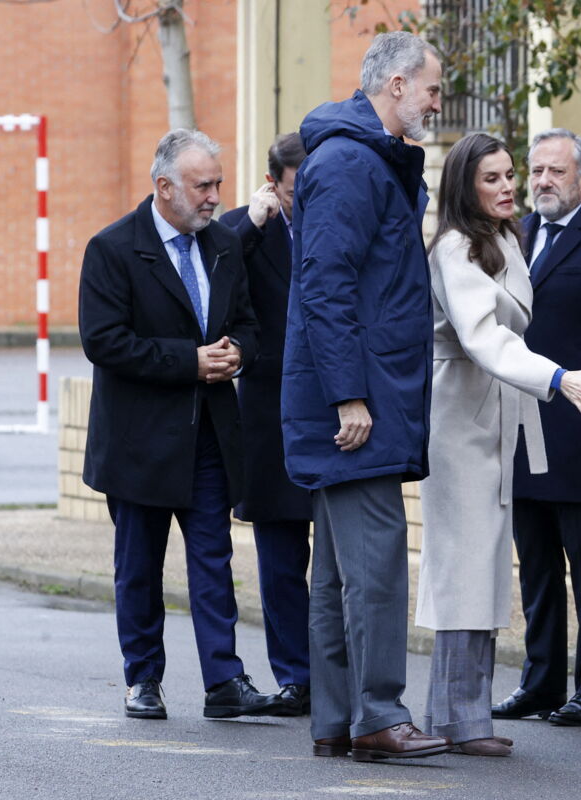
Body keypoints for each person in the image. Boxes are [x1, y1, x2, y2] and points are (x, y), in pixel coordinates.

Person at [281, 31, 450, 762]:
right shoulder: (352, 162)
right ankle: (379, 716)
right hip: (359, 401)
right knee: (375, 565)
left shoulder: (368, 159)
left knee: (337, 572)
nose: (438, 102)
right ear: (397, 86)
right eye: (433, 89)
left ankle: (338, 718)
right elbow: (326, 286)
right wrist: (350, 396)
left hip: (364, 393)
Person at [79, 128, 282, 721]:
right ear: (164, 187)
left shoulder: (222, 245)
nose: (216, 196)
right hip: (139, 444)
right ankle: (142, 679)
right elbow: (104, 341)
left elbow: (247, 325)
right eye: (203, 185)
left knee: (214, 562)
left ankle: (224, 681)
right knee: (139, 567)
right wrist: (188, 362)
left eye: (218, 183)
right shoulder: (113, 247)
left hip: (210, 438)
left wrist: (237, 355)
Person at [415, 133, 581, 757]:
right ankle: (457, 719)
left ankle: (461, 716)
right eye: (492, 179)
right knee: (462, 567)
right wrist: (556, 376)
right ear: (465, 187)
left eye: (509, 176)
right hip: (461, 416)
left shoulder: (501, 237)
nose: (509, 187)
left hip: (493, 412)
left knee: (486, 567)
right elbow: (483, 338)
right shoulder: (454, 247)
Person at [492, 129, 581, 727]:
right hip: (523, 430)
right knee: (538, 570)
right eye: (536, 170)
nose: (542, 181)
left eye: (555, 171)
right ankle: (540, 682)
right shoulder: (512, 235)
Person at [220, 132, 312, 716]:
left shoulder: (348, 217)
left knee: (340, 560)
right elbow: (209, 273)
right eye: (297, 189)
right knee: (280, 560)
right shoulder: (241, 231)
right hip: (269, 415)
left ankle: (343, 672)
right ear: (273, 185)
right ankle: (297, 677)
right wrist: (252, 225)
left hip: (337, 410)